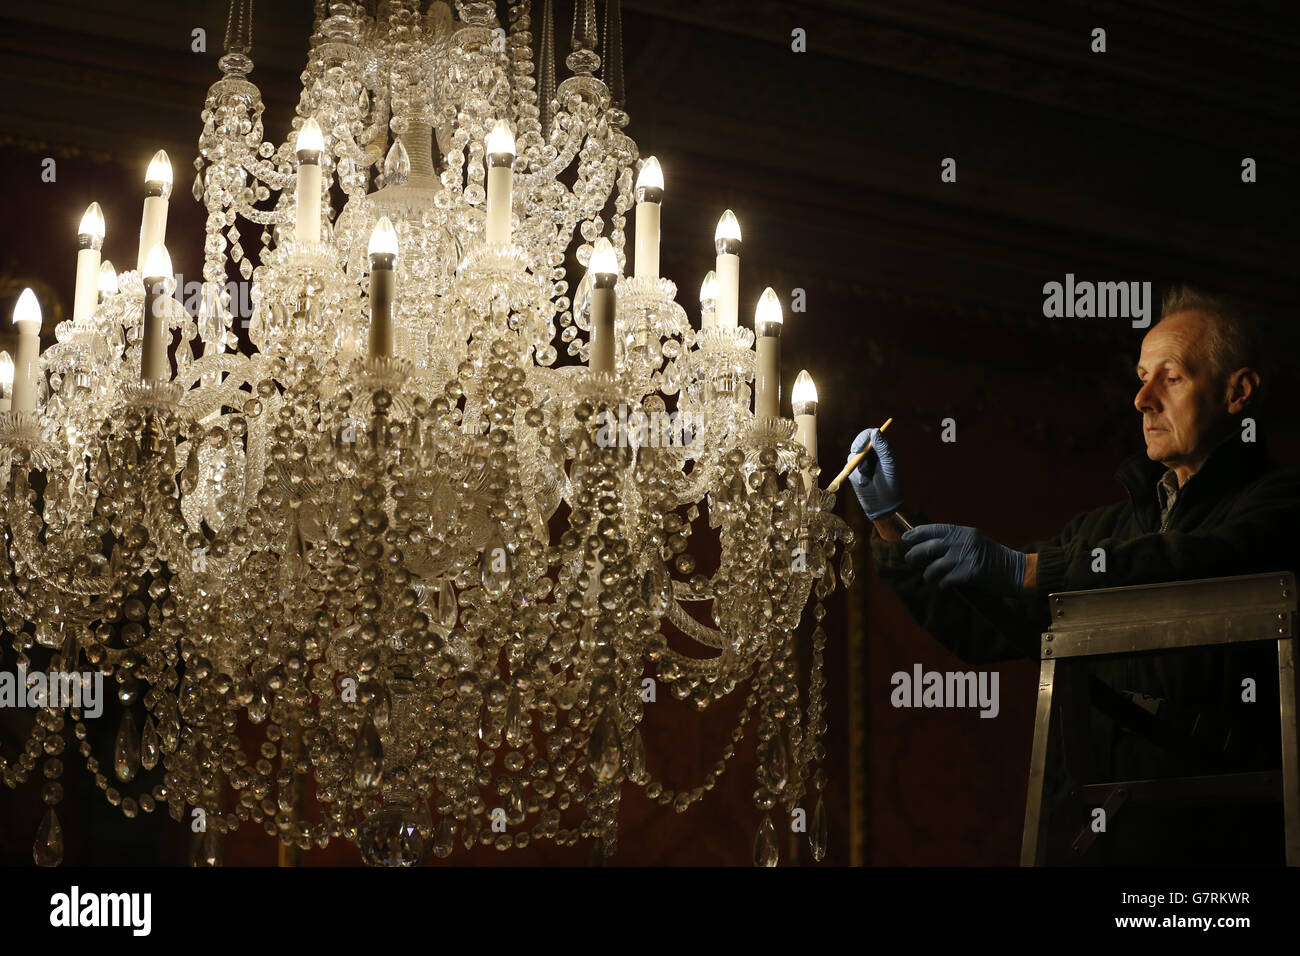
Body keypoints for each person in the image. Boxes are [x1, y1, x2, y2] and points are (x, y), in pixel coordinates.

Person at [851, 285, 1300, 864]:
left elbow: (1197, 564)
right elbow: (985, 625)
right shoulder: (1102, 528)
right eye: (1141, 376)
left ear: (1238, 392)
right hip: (1094, 846)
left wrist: (1032, 568)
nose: (1142, 398)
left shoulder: (1280, 505)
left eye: (1172, 377)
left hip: (1222, 850)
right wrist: (891, 522)